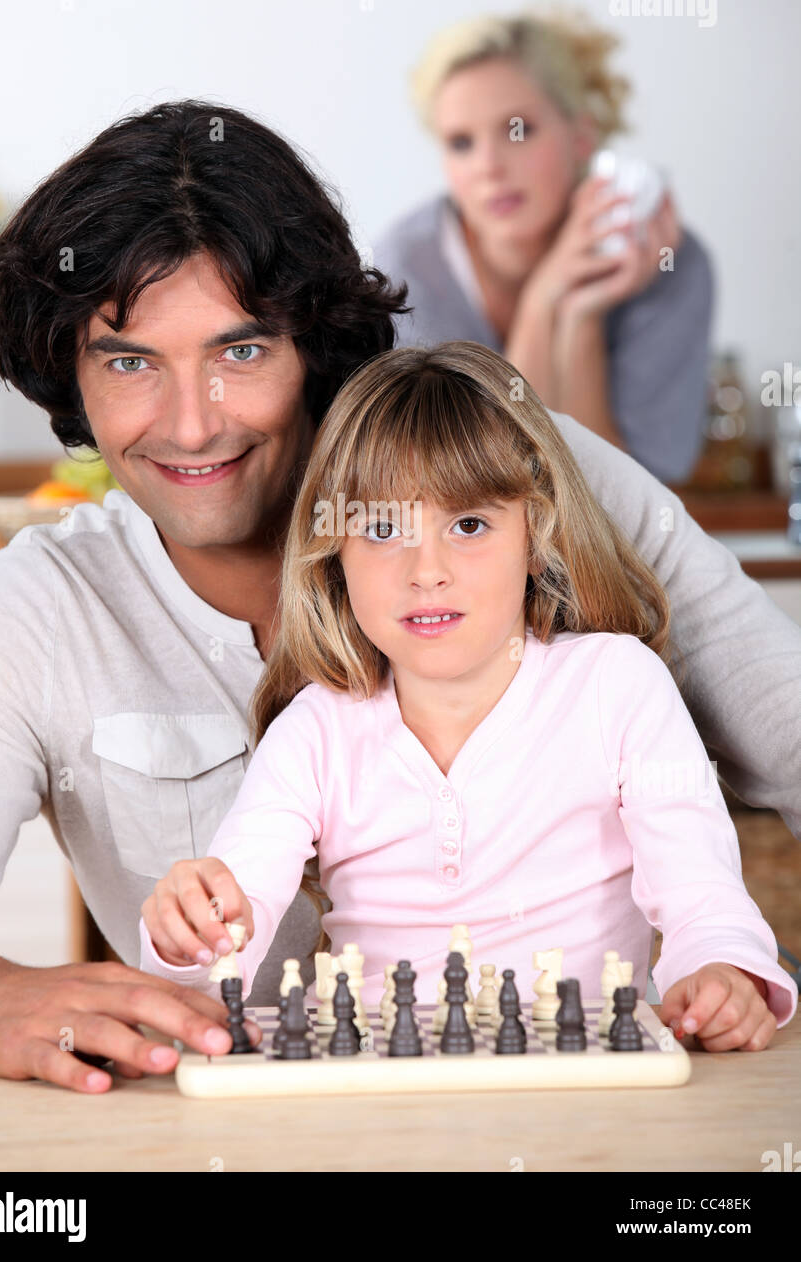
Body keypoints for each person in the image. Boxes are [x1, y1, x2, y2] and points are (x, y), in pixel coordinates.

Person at [0, 102, 798, 1095]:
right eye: (129, 361)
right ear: (68, 378)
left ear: (313, 343)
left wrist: (723, 965)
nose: (190, 423)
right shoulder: (33, 614)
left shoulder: (534, 469)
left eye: (241, 351)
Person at [139, 343, 796, 1050]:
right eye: (384, 530)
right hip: (382, 1096)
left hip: (585, 1090)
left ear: (535, 533)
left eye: (470, 525)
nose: (428, 572)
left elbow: (702, 891)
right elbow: (227, 933)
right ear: (334, 551)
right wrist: (191, 930)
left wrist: (723, 969)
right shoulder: (315, 732)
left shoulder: (617, 685)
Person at [373, 8, 714, 485]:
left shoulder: (671, 263)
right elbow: (481, 484)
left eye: (519, 130)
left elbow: (630, 502)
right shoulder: (408, 266)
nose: (489, 166)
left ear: (581, 139)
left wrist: (580, 318)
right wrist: (543, 300)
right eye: (461, 142)